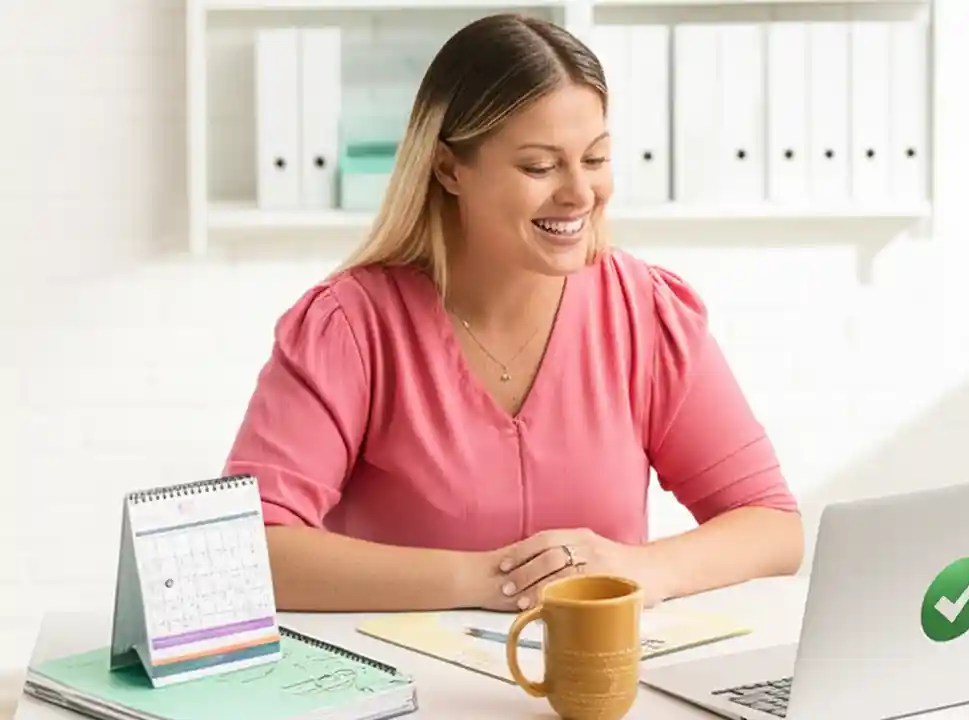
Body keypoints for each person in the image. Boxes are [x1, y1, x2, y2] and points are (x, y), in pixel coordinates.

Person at [222, 13, 803, 614]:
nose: (579, 193)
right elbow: (249, 552)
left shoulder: (646, 312)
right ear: (450, 169)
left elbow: (773, 527)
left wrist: (642, 568)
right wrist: (492, 580)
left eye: (596, 158)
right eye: (539, 166)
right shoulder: (350, 327)